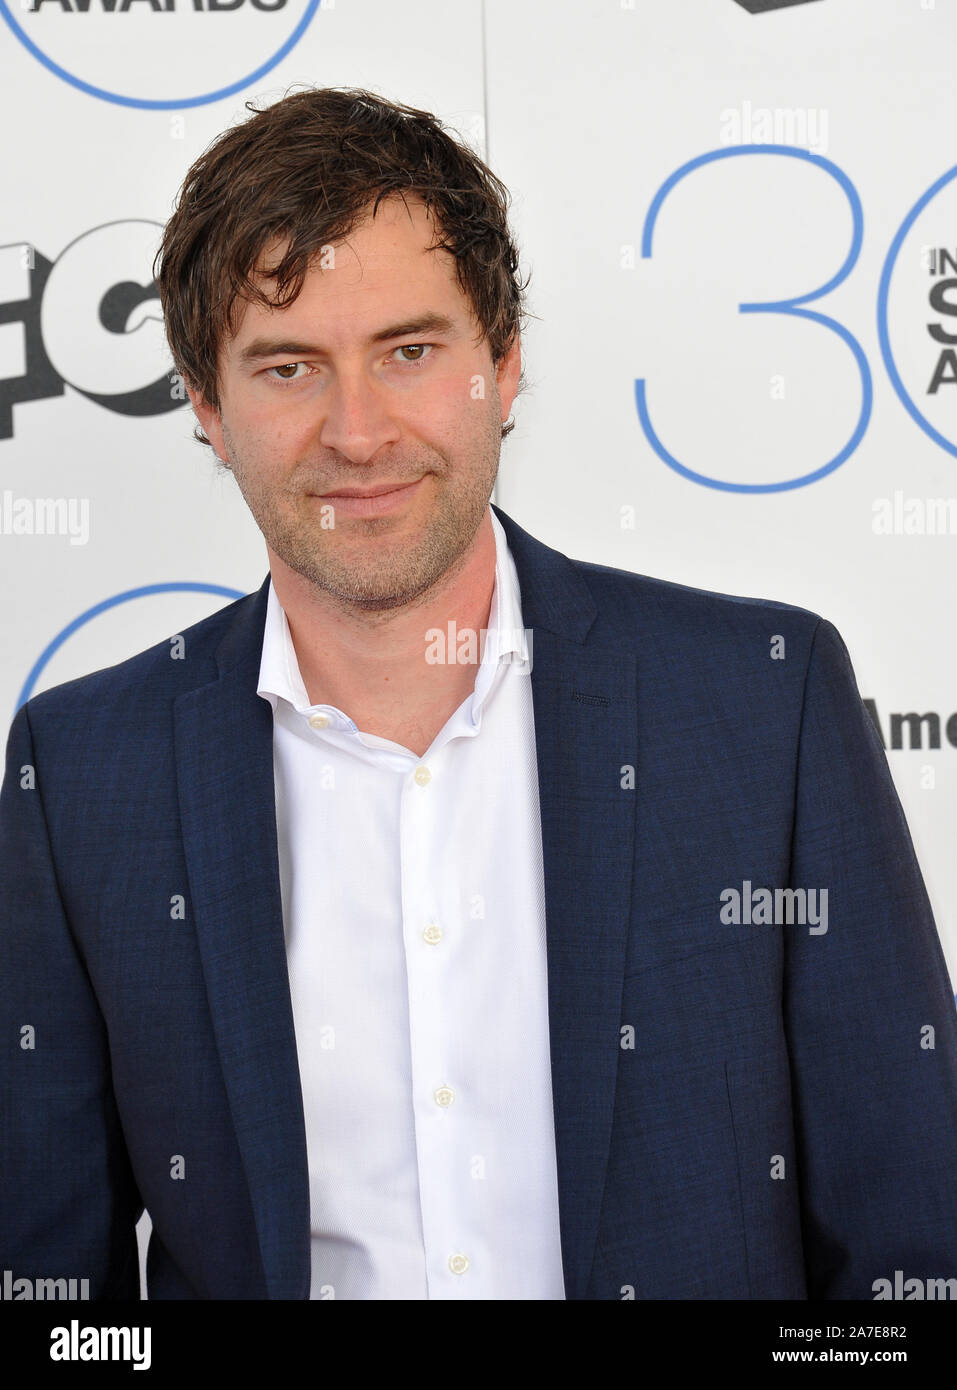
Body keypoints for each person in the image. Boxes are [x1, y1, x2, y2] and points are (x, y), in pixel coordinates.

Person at [2, 86, 956, 1303]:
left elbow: (918, 1266)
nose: (357, 432)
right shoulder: (84, 772)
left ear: (503, 365)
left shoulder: (765, 706)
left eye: (409, 350)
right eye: (289, 366)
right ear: (205, 405)